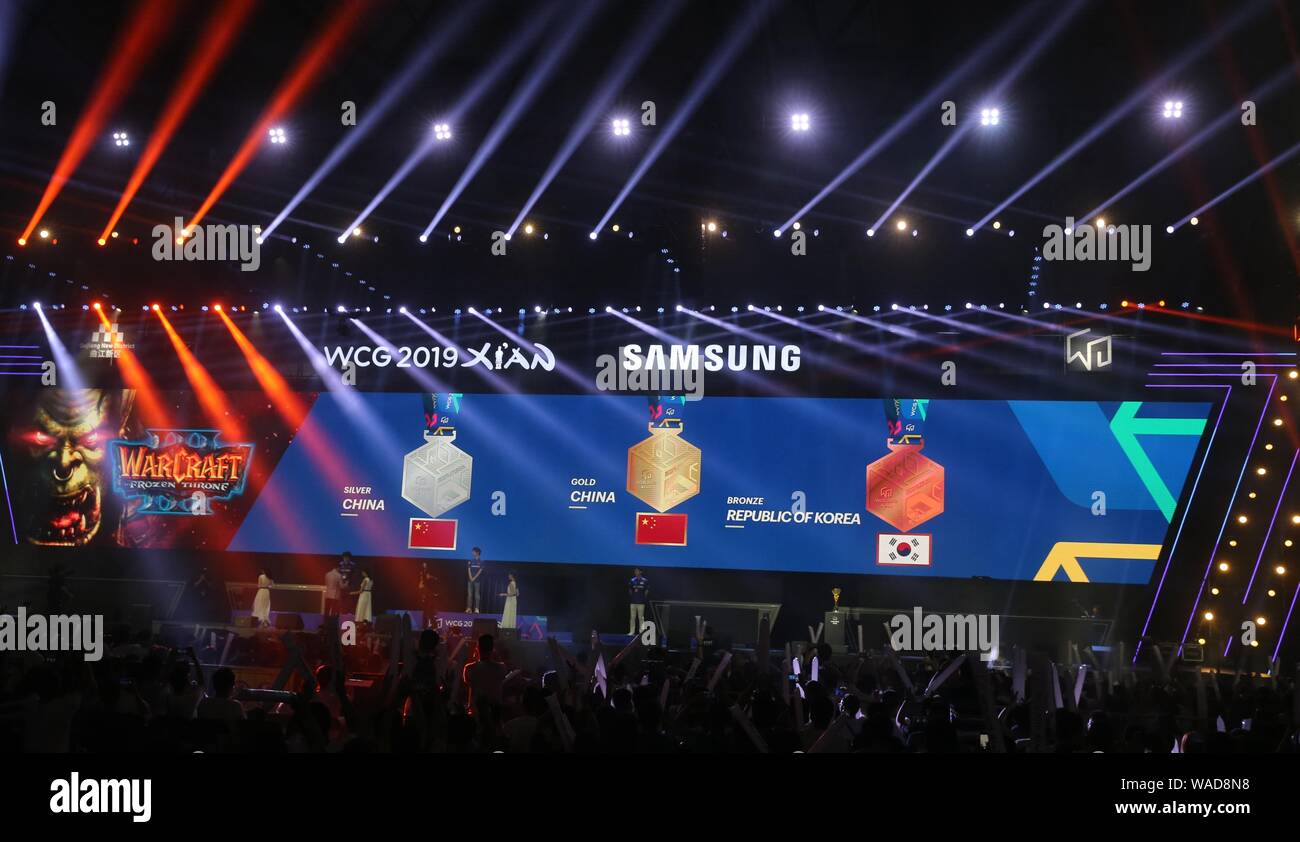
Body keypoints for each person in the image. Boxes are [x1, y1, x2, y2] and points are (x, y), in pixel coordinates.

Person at [462, 634, 507, 715]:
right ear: (493, 649)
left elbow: (468, 684)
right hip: (495, 711)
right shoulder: (501, 668)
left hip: (476, 711)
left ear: (477, 648)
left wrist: (476, 659)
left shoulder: (469, 668)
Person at [628, 567, 649, 635]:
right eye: (635, 571)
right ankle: (632, 631)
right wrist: (633, 596)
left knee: (641, 617)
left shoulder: (645, 580)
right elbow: (630, 590)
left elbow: (646, 591)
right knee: (632, 617)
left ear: (640, 572)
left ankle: (641, 631)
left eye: (637, 571)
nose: (636, 572)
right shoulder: (632, 580)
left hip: (641, 602)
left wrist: (643, 598)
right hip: (633, 602)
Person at [466, 547, 484, 613]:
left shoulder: (481, 562)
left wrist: (474, 578)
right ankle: (469, 608)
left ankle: (476, 608)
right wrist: (470, 577)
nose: (472, 553)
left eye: (473, 552)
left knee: (477, 595)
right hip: (470, 580)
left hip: (477, 581)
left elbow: (480, 571)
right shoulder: (470, 561)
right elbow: (469, 569)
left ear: (477, 553)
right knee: (469, 595)